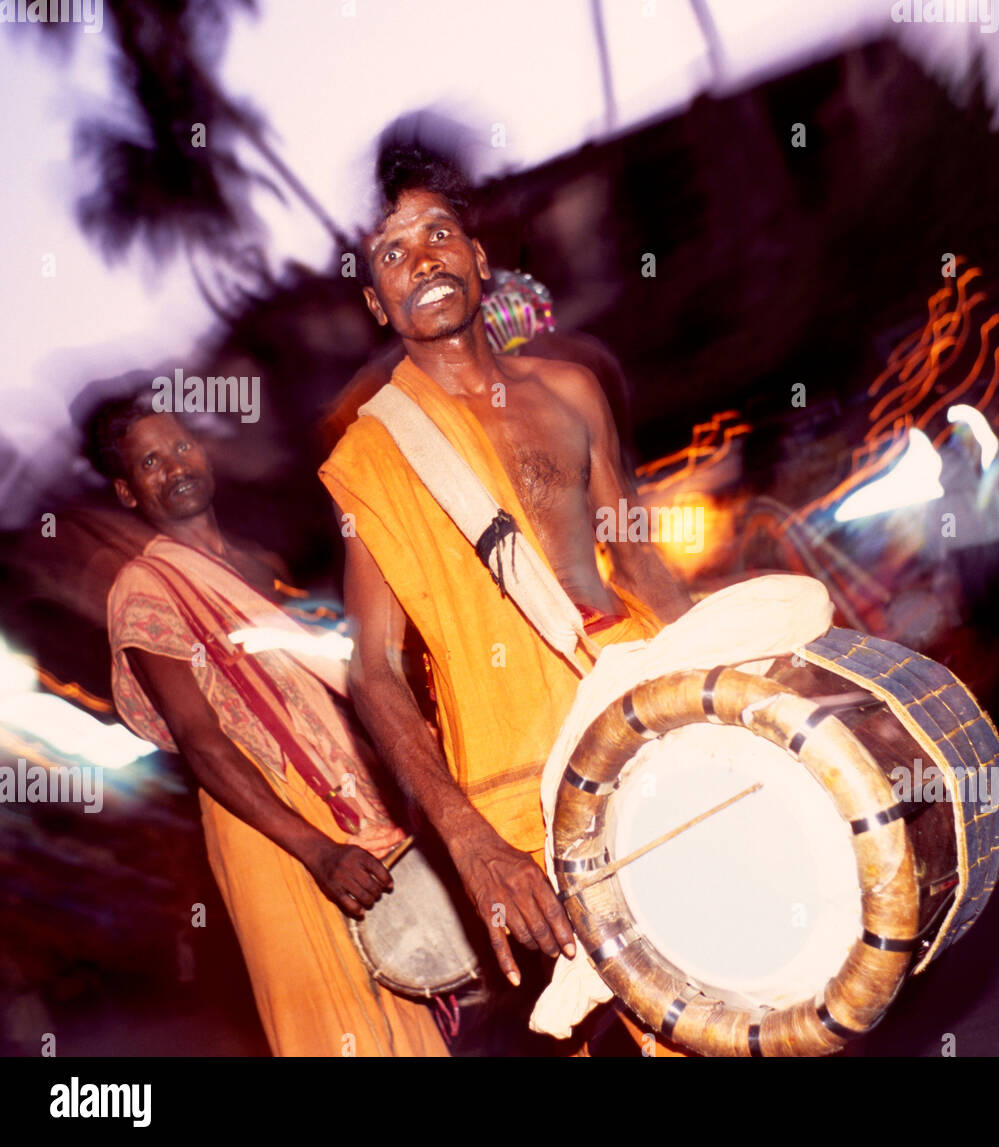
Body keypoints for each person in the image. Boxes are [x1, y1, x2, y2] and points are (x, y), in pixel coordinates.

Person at [318, 145, 693, 1051]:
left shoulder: (572, 389)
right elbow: (371, 669)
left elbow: (638, 559)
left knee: (722, 976)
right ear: (377, 303)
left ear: (480, 258)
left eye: (439, 233)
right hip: (526, 786)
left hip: (651, 719)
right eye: (394, 253)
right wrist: (470, 838)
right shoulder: (370, 457)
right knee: (622, 1019)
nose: (424, 260)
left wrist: (736, 679)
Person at [91, 397, 448, 1057]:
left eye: (179, 447)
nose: (173, 467)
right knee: (330, 1023)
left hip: (356, 807)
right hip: (268, 822)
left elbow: (341, 689)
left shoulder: (264, 567)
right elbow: (200, 739)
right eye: (148, 462)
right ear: (127, 491)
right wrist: (314, 848)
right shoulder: (145, 586)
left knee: (409, 1012)